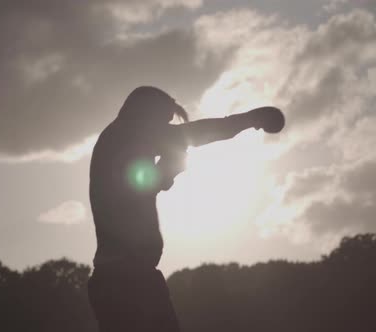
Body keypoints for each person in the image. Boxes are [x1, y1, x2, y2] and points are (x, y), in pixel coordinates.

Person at [87, 86, 284, 332]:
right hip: (126, 281)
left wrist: (170, 169)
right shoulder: (128, 132)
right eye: (163, 121)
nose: (166, 129)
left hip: (126, 278)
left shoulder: (119, 142)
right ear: (146, 113)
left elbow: (139, 188)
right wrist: (250, 119)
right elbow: (197, 134)